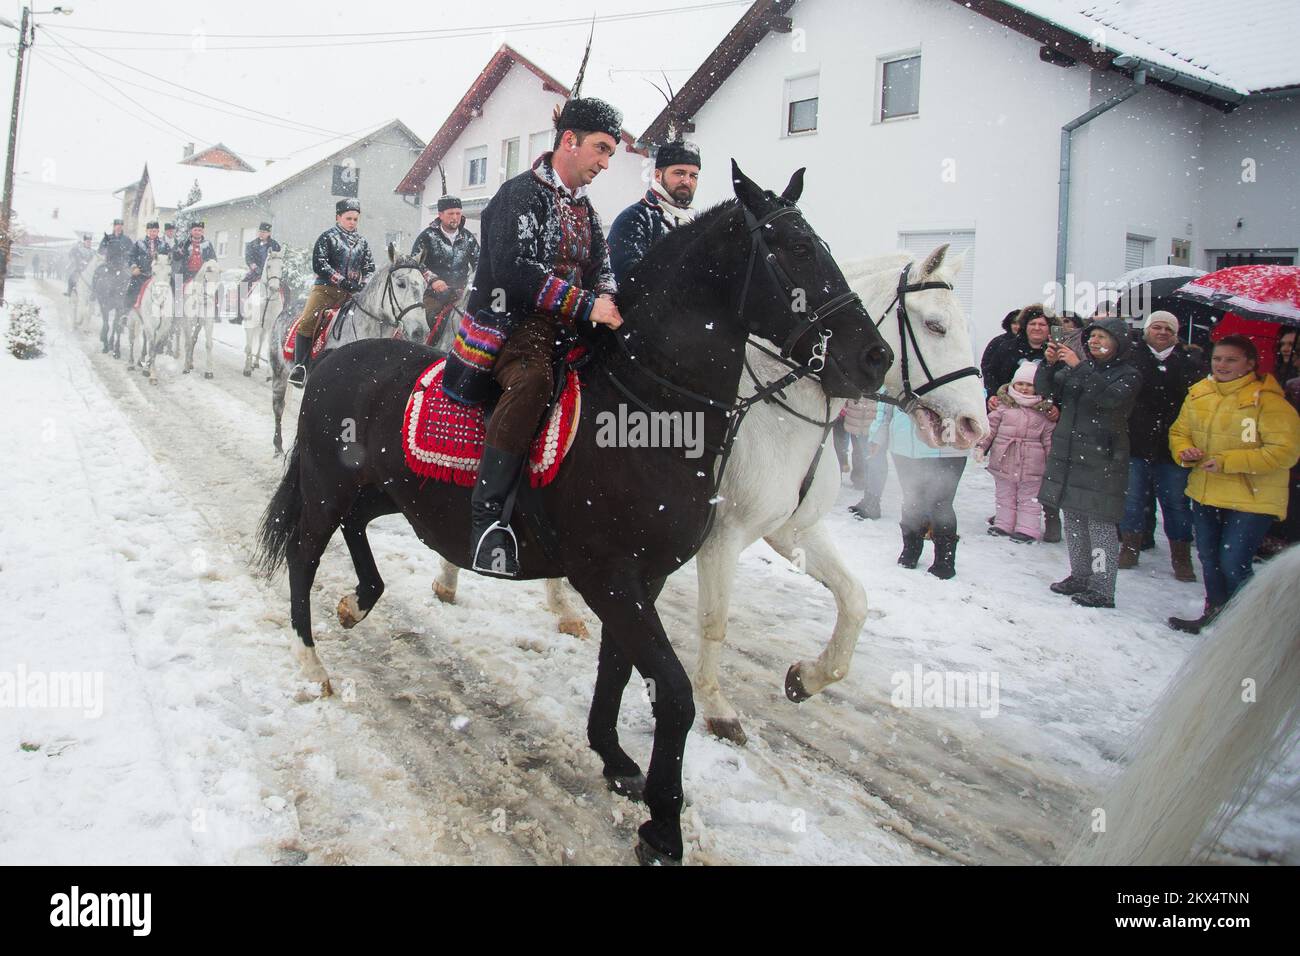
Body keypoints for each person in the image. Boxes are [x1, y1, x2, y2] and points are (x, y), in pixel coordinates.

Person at [462, 96, 623, 577]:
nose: (605, 162)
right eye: (600, 149)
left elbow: (602, 268)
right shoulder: (519, 195)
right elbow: (515, 271)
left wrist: (608, 300)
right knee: (532, 384)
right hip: (513, 325)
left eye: (611, 154)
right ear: (568, 141)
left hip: (568, 325)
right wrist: (586, 304)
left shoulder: (586, 210)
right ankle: (486, 522)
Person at [1166, 335, 1300, 633]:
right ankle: (1215, 612)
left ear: (1250, 363)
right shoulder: (1200, 393)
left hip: (1252, 498)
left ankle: (1252, 628)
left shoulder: (1267, 400)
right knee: (1210, 558)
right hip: (1206, 490)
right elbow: (1179, 432)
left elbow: (1285, 451)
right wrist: (1185, 452)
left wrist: (1229, 461)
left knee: (1233, 562)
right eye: (1217, 358)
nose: (1222, 365)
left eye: (1231, 359)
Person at [1035, 317, 1142, 608]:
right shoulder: (1084, 369)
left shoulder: (1128, 374)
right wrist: (1050, 364)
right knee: (1073, 518)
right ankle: (1080, 575)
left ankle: (1102, 587)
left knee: (1099, 523)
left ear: (1118, 344)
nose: (1095, 341)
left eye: (1103, 337)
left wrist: (1077, 366)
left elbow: (1109, 400)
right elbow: (1046, 390)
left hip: (1102, 457)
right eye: (1092, 336)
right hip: (1071, 455)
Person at [1118, 310, 1204, 580]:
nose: (1162, 332)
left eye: (1168, 328)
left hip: (1173, 446)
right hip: (1136, 442)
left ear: (1176, 335)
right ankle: (1130, 547)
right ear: (1147, 331)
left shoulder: (1189, 363)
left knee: (1176, 503)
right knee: (1132, 501)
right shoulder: (1131, 358)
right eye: (1157, 327)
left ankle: (1181, 556)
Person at [870, 402, 968, 579]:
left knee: (940, 503)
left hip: (946, 447)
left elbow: (970, 399)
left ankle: (944, 561)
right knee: (911, 499)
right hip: (905, 446)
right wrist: (877, 435)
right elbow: (885, 406)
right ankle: (911, 550)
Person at [289, 199, 376, 388]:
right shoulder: (327, 237)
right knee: (308, 321)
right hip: (325, 290)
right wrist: (340, 280)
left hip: (351, 295)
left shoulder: (362, 242)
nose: (352, 222)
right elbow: (319, 264)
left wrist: (364, 283)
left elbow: (370, 267)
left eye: (355, 219)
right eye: (348, 218)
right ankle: (300, 366)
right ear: (338, 217)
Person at [978, 362, 1055, 541]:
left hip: (1033, 464)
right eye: (1020, 384)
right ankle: (1003, 524)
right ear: (1012, 385)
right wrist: (981, 446)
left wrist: (1052, 460)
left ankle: (1027, 529)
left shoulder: (1043, 411)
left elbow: (1048, 439)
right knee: (1005, 495)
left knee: (1030, 499)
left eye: (1029, 385)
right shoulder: (1003, 407)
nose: (1024, 388)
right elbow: (990, 430)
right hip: (1004, 459)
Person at [607, 140, 700, 287]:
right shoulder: (635, 218)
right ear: (657, 175)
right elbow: (629, 279)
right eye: (679, 173)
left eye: (693, 176)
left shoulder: (700, 222)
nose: (687, 181)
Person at [410, 195, 479, 342]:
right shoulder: (427, 236)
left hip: (460, 295)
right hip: (431, 296)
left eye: (458, 213)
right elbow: (415, 263)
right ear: (440, 215)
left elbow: (480, 263)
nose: (455, 217)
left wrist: (469, 286)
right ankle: (425, 352)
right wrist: (433, 280)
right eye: (450, 214)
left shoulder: (468, 238)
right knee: (428, 321)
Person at [126, 221, 168, 311]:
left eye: (155, 231)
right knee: (131, 290)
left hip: (158, 276)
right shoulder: (139, 243)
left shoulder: (163, 244)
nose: (152, 233)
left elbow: (169, 257)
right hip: (141, 275)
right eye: (150, 231)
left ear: (158, 231)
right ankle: (128, 312)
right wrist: (134, 267)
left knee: (172, 286)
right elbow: (131, 256)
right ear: (146, 231)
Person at [979, 310, 1021, 399]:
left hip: (1025, 392)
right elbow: (987, 368)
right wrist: (993, 392)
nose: (1018, 327)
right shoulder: (998, 342)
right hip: (1000, 391)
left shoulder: (1033, 344)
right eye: (1014, 323)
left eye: (1020, 323)